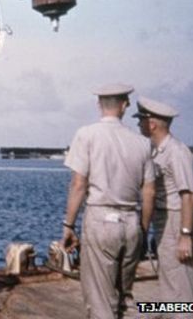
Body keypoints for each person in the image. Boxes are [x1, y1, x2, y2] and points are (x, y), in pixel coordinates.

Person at [61, 84, 155, 319]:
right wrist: (142, 230)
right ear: (124, 105)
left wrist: (68, 226)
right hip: (132, 221)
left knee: (101, 302)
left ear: (98, 105)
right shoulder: (143, 143)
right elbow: (149, 192)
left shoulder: (87, 134)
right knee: (125, 298)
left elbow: (78, 185)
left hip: (101, 220)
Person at [134, 98, 193, 316]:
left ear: (152, 124)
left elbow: (188, 195)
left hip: (176, 219)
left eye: (141, 120)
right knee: (169, 277)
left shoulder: (177, 152)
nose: (138, 124)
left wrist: (185, 235)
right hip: (164, 220)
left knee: (181, 283)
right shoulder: (156, 151)